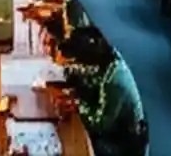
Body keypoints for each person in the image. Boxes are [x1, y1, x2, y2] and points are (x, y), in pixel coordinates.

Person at [62, 27, 147, 156]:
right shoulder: (109, 59)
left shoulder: (114, 80)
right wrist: (73, 73)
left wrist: (78, 105)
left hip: (126, 145)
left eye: (81, 59)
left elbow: (99, 125)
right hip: (118, 129)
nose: (80, 63)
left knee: (80, 145)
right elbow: (92, 76)